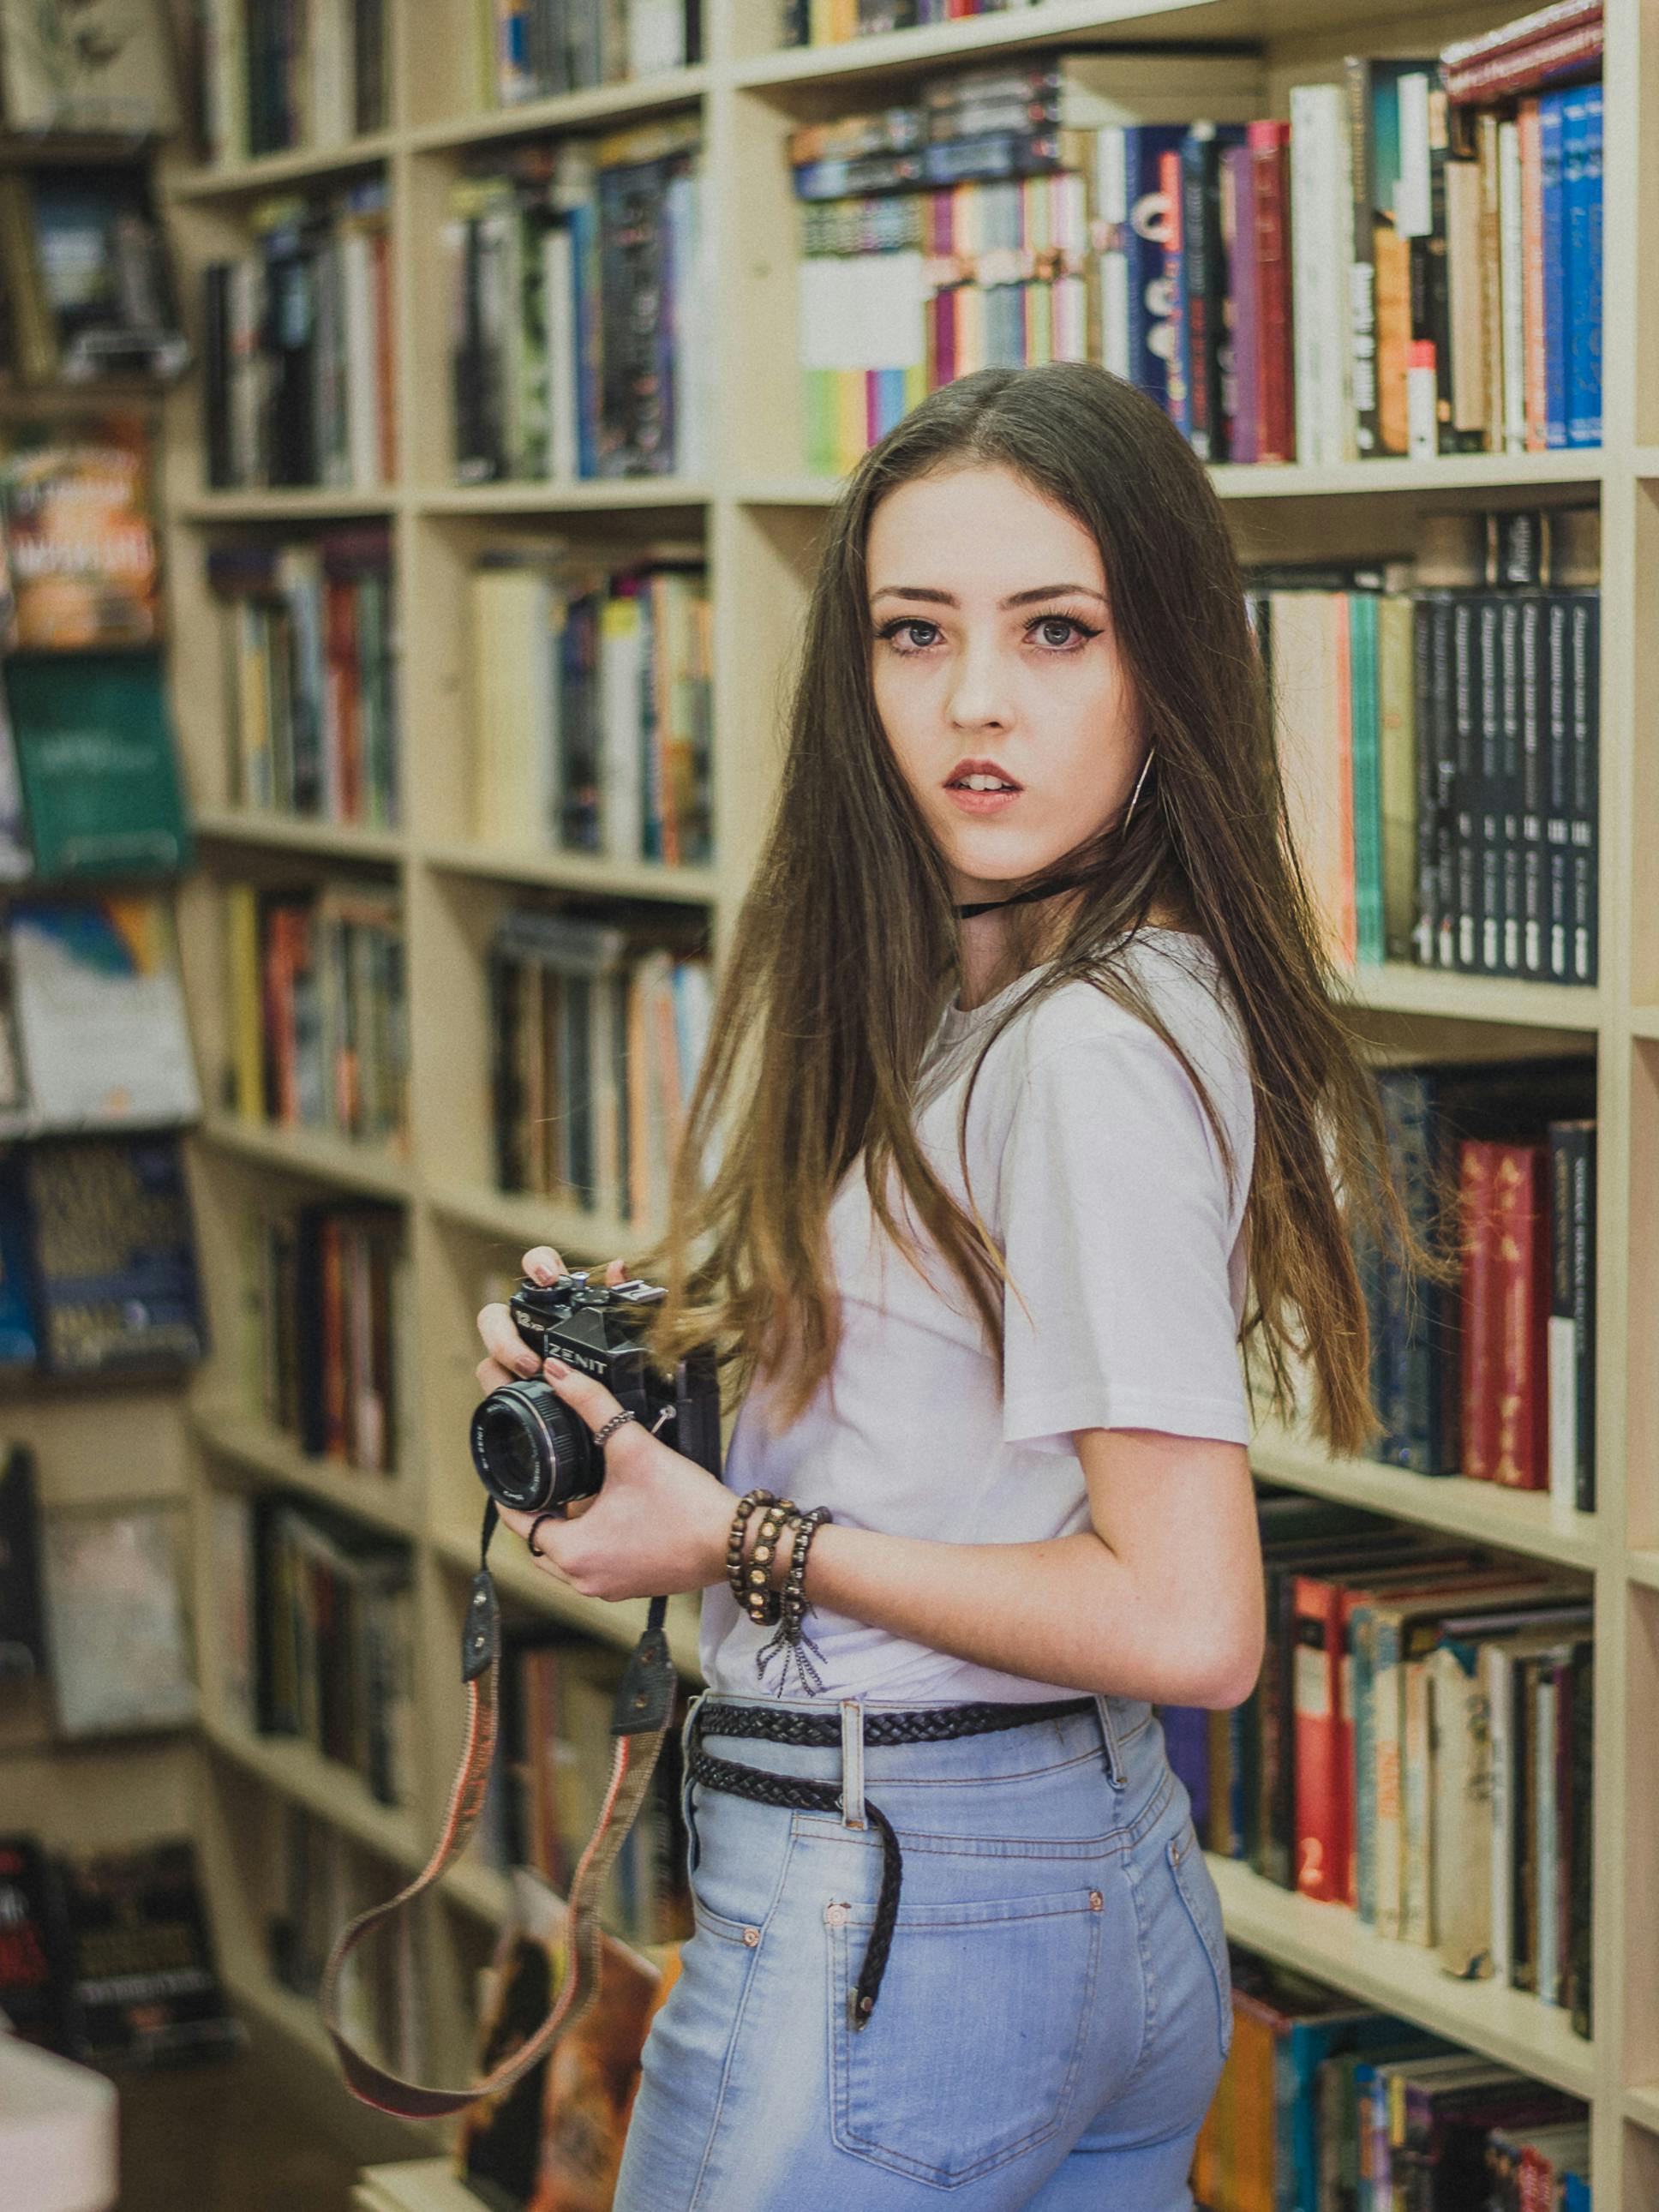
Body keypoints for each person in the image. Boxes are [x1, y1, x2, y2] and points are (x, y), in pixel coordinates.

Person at [473, 361, 1397, 2210]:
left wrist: (733, 1542)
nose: (973, 701)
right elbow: (974, 1429)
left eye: (1056, 630)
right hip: (1056, 1879)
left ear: (1166, 666)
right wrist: (674, 1385)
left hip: (899, 1903)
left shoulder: (1081, 1055)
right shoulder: (1073, 992)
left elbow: (1189, 1618)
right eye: (914, 632)